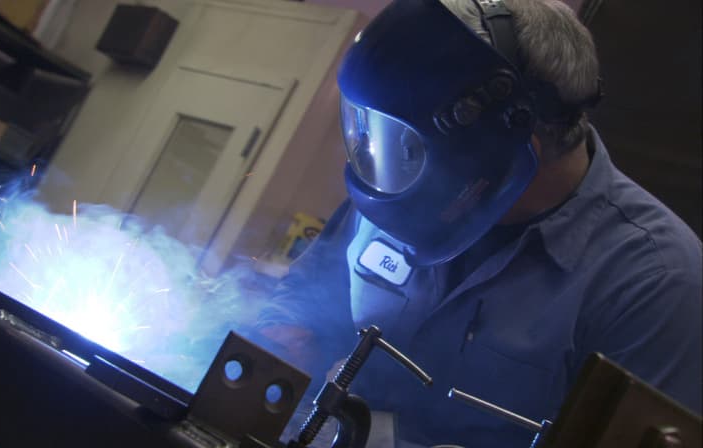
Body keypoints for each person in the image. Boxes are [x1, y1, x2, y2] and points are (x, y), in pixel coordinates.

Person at [256, 0, 703, 446]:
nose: (391, 162)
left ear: (498, 144)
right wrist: (283, 336)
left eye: (410, 146)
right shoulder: (402, 190)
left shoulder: (654, 281)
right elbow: (307, 293)